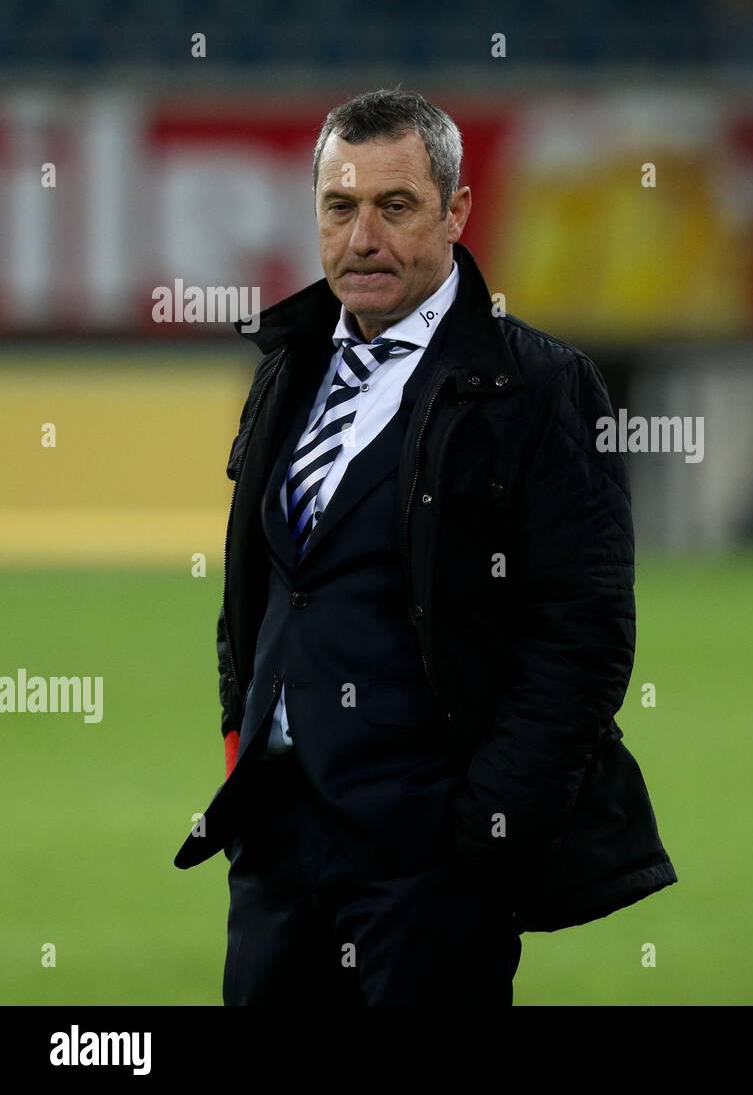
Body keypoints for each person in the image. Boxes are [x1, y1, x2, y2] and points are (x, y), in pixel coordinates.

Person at [174, 88, 676, 1005]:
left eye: (394, 207)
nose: (363, 238)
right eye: (340, 207)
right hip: (279, 850)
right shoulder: (288, 368)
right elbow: (253, 592)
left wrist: (489, 826)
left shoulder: (540, 389)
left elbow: (585, 635)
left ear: (457, 211)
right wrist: (240, 742)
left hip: (434, 859)